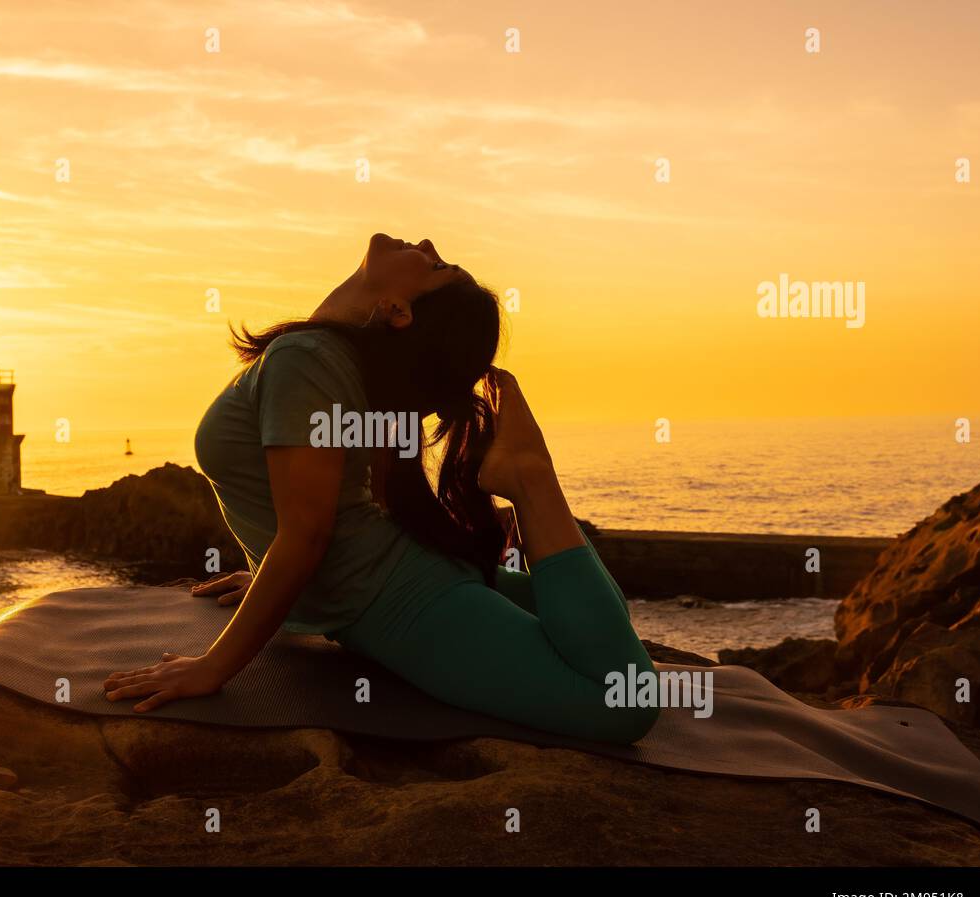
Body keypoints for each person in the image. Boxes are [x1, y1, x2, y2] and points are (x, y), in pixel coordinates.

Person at [104, 233, 659, 744]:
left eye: (434, 263)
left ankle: (531, 479)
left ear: (398, 310)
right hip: (403, 581)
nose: (424, 242)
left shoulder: (308, 359)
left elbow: (310, 532)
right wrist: (272, 574)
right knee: (602, 639)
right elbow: (330, 507)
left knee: (625, 701)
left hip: (400, 600)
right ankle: (529, 483)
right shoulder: (329, 360)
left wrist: (212, 667)